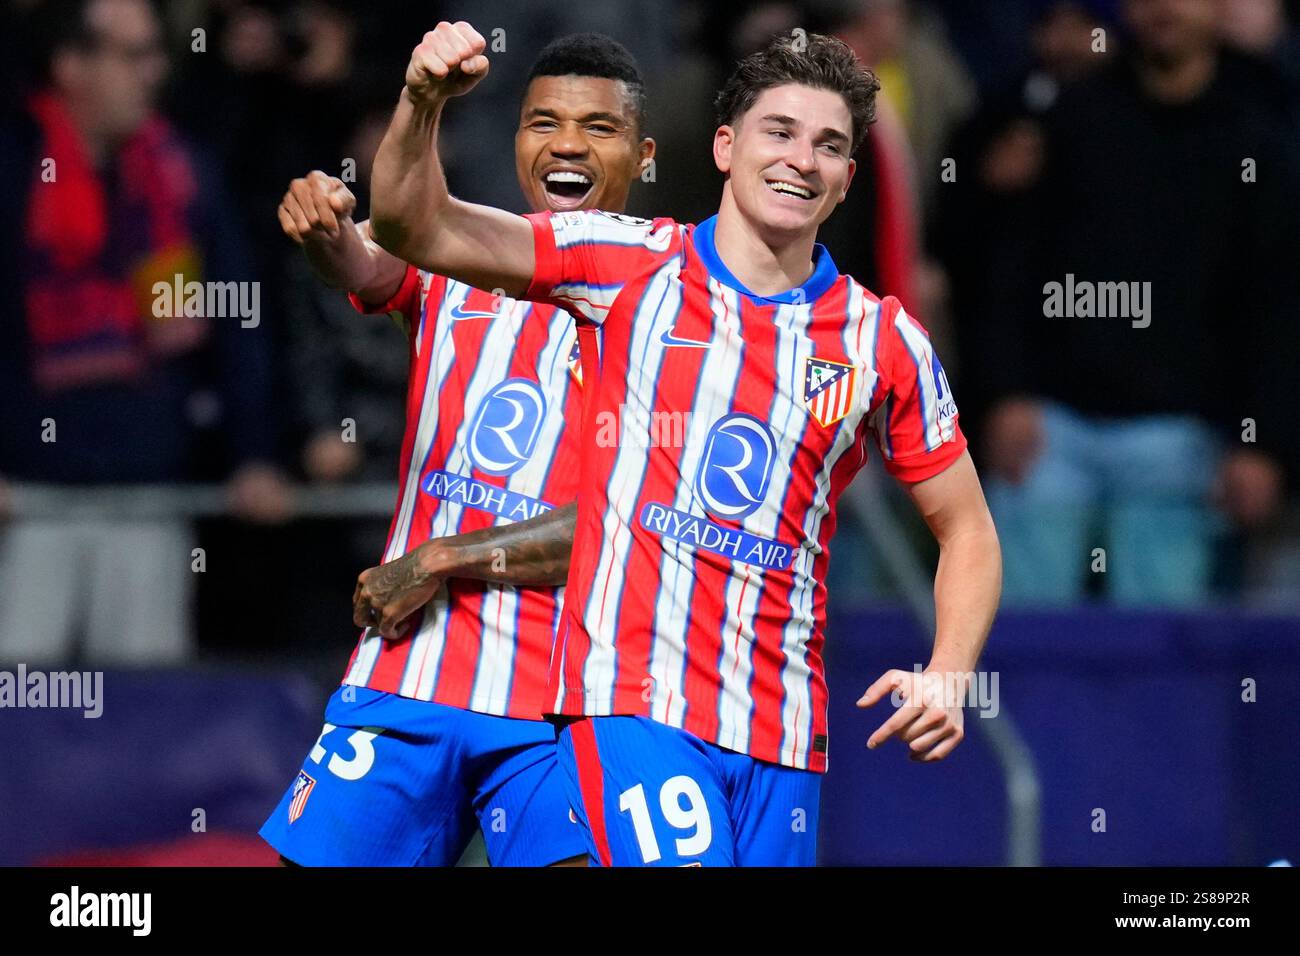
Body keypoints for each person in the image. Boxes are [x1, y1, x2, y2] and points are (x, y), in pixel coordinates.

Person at [368, 22, 1001, 866]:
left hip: (782, 731)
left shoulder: (881, 341)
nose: (801, 160)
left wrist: (951, 669)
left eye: (829, 146)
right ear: (726, 147)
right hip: (636, 710)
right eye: (779, 133)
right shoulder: (625, 264)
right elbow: (415, 227)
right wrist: (422, 100)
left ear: (849, 179)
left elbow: (968, 528)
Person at [259, 33, 656, 867]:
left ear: (644, 155)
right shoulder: (465, 255)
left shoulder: (677, 305)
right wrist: (326, 220)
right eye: (542, 121)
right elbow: (365, 263)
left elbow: (619, 530)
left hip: (569, 699)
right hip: (413, 673)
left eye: (598, 127)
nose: (567, 144)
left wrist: (440, 558)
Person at [0, 0, 287, 666]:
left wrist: (254, 454)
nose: (153, 73)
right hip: (25, 503)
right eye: (131, 55)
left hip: (151, 495)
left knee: (145, 714)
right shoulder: (14, 171)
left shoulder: (179, 176)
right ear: (71, 65)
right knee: (16, 719)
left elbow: (238, 320)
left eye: (156, 53)